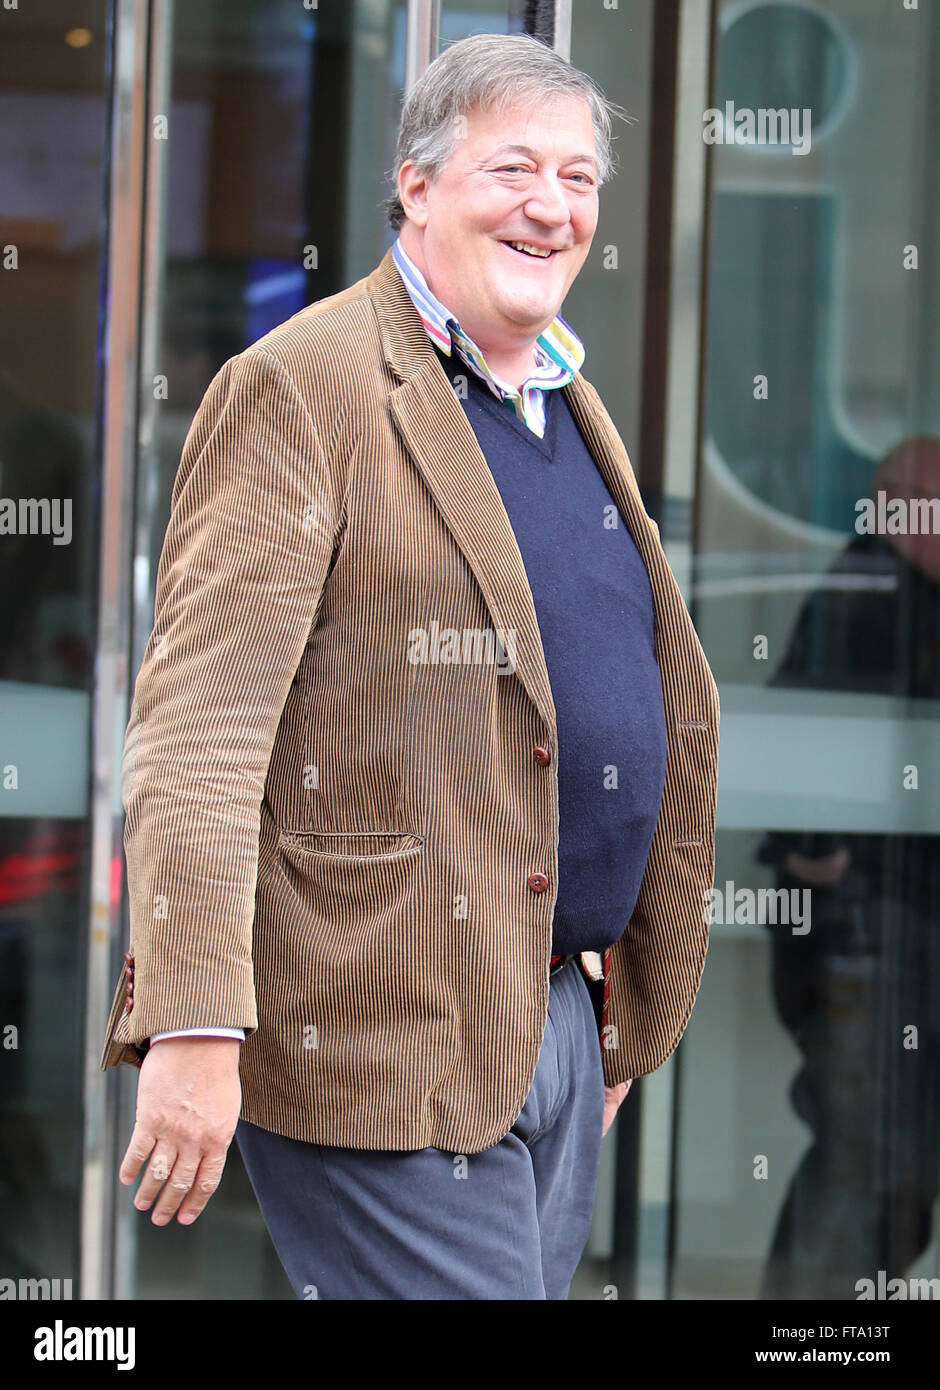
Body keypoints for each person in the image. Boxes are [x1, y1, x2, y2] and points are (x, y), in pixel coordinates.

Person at [100, 32, 719, 1300]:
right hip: (381, 1029)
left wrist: (596, 1020)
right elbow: (201, 729)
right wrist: (195, 1021)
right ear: (417, 186)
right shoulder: (301, 386)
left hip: (552, 1021)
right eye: (512, 170)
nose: (552, 206)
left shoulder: (558, 399)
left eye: (579, 177)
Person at [757, 437, 940, 1300]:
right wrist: (824, 858)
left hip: (883, 929)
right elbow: (811, 761)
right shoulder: (874, 594)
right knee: (870, 1160)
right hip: (865, 933)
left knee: (884, 1163)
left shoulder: (893, 592)